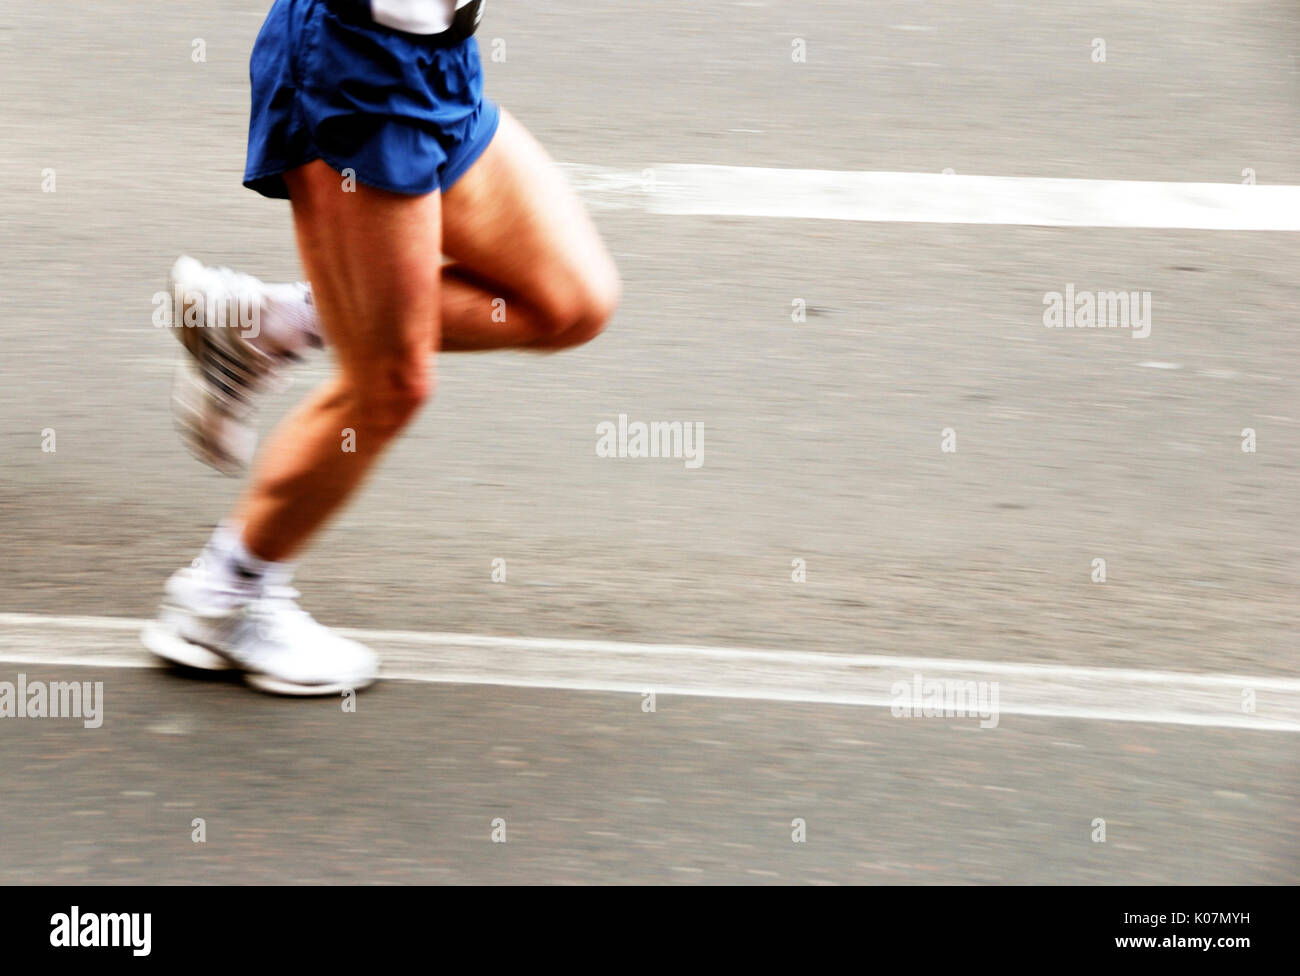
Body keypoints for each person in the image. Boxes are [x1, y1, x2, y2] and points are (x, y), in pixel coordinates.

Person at [141, 0, 620, 695]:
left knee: (569, 302)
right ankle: (223, 600)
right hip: (357, 72)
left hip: (436, 55)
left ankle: (277, 322)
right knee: (388, 387)